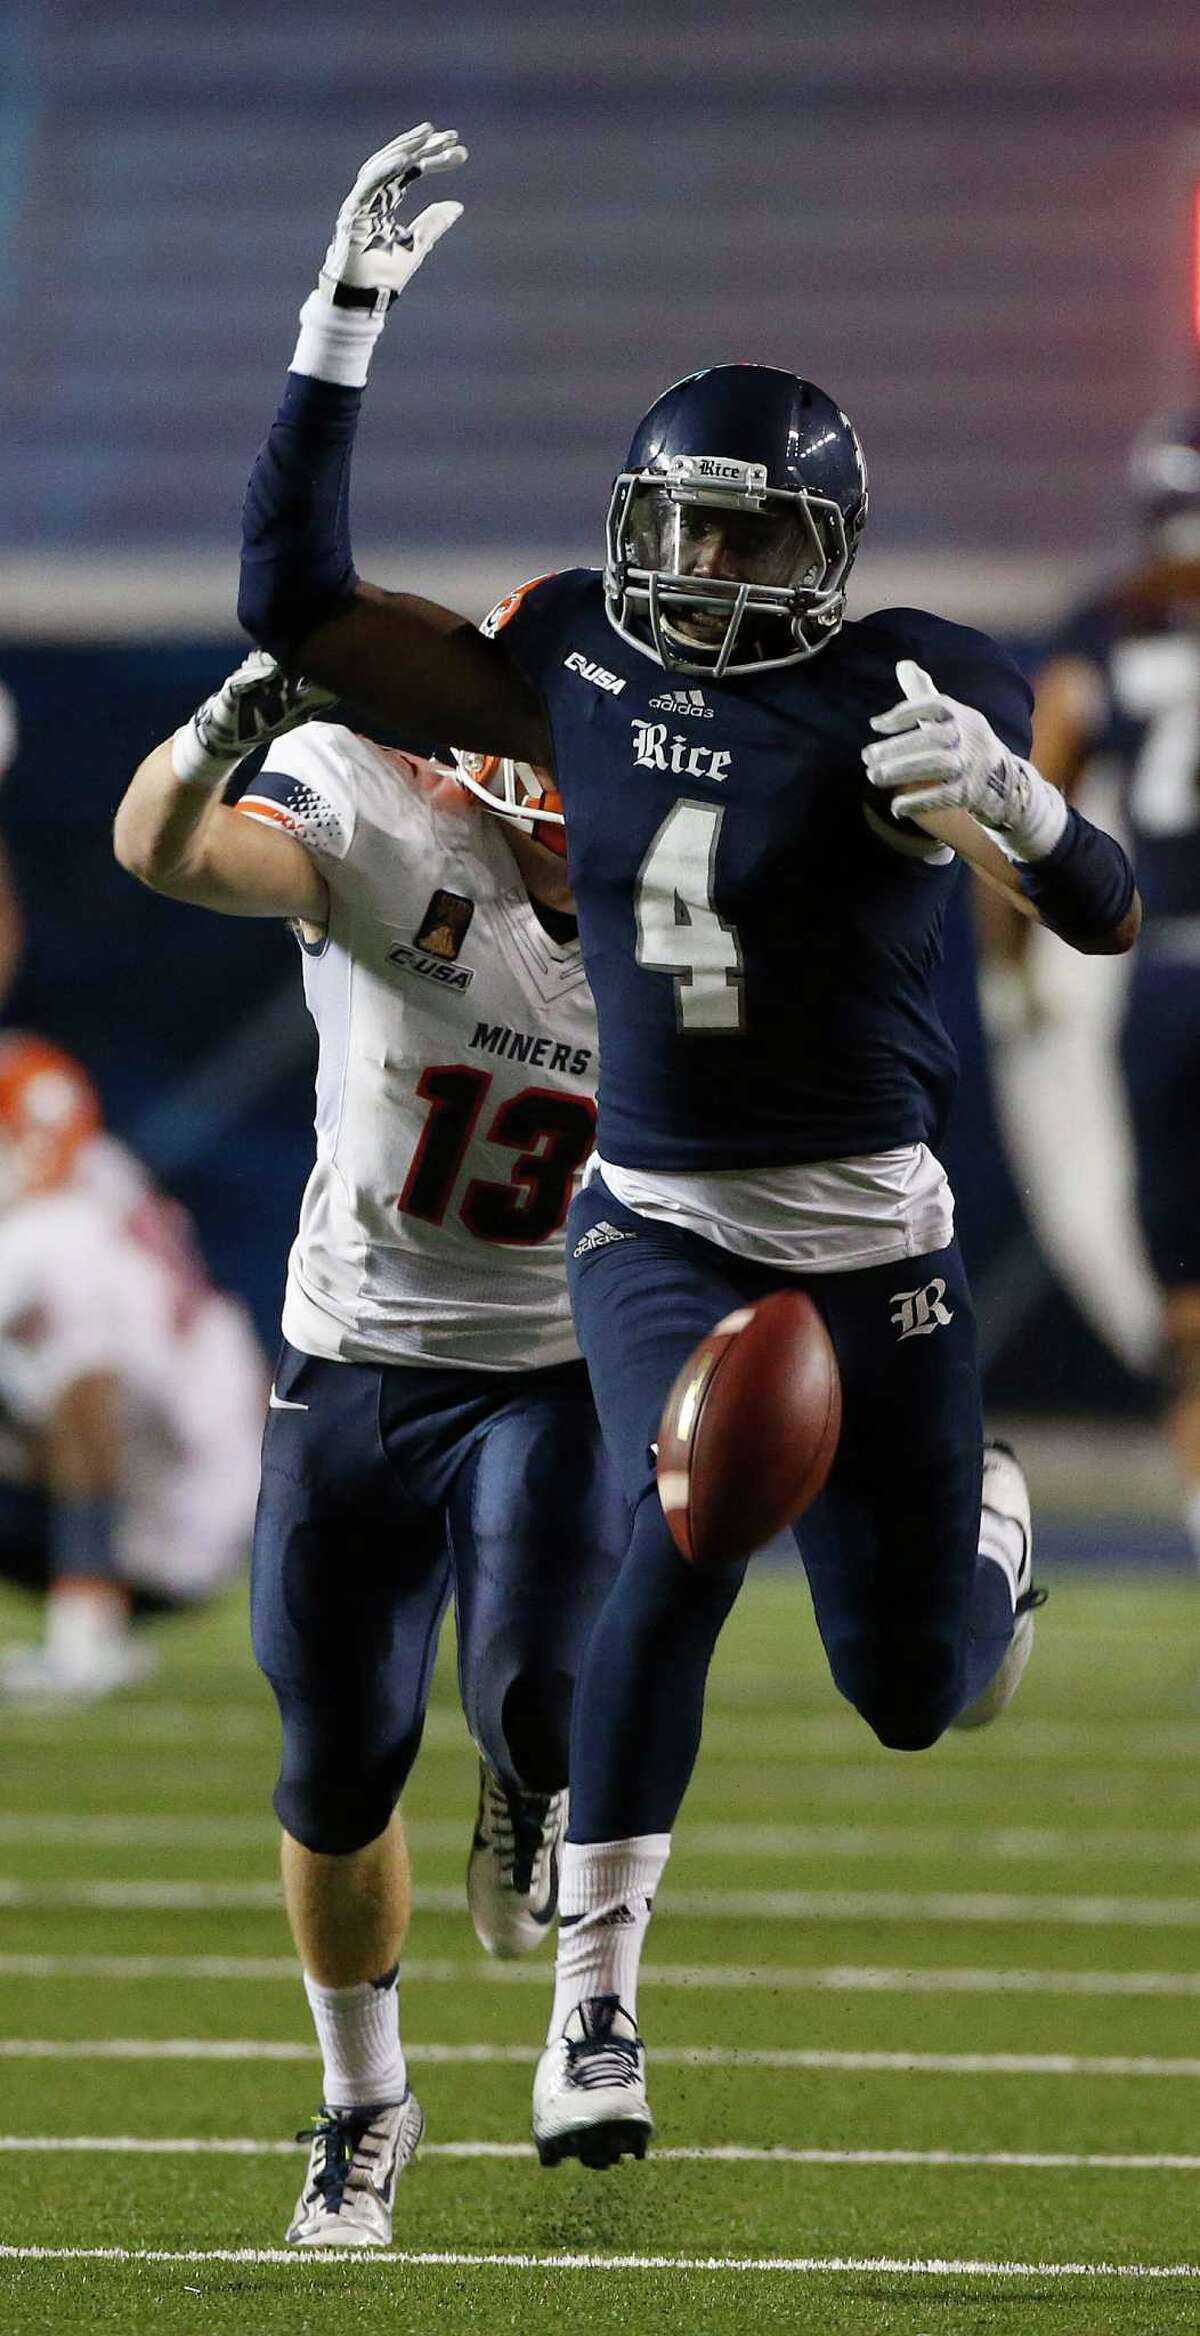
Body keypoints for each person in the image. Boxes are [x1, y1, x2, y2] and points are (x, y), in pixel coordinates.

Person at [234, 126, 1140, 2171]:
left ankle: (980, 1536)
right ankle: (597, 2013)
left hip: (871, 1231)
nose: (715, 575)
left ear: (825, 551)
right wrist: (336, 333)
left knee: (912, 1685)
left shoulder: (920, 677)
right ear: (640, 525)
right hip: (652, 1222)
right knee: (682, 1523)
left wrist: (1012, 801)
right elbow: (296, 609)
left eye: (754, 546)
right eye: (692, 534)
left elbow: (1108, 911)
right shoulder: (574, 648)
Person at [115, 646, 622, 2240]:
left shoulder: (696, 895)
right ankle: (362, 2106)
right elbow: (165, 849)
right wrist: (223, 726)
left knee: (536, 1702)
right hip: (356, 1365)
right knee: (334, 1767)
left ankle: (524, 1790)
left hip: (553, 1368)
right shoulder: (389, 823)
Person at [977, 408, 1200, 1549]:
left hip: (1166, 985)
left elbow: (1037, 802)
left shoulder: (1113, 630)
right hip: (1165, 977)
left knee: (1186, 1292)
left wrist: (1008, 967)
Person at [0, 1033, 265, 1698]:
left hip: (164, 1536)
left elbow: (89, 1389)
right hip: (223, 1499)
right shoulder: (107, 1175)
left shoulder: (53, 1226)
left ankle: (85, 1625)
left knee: (75, 1371)